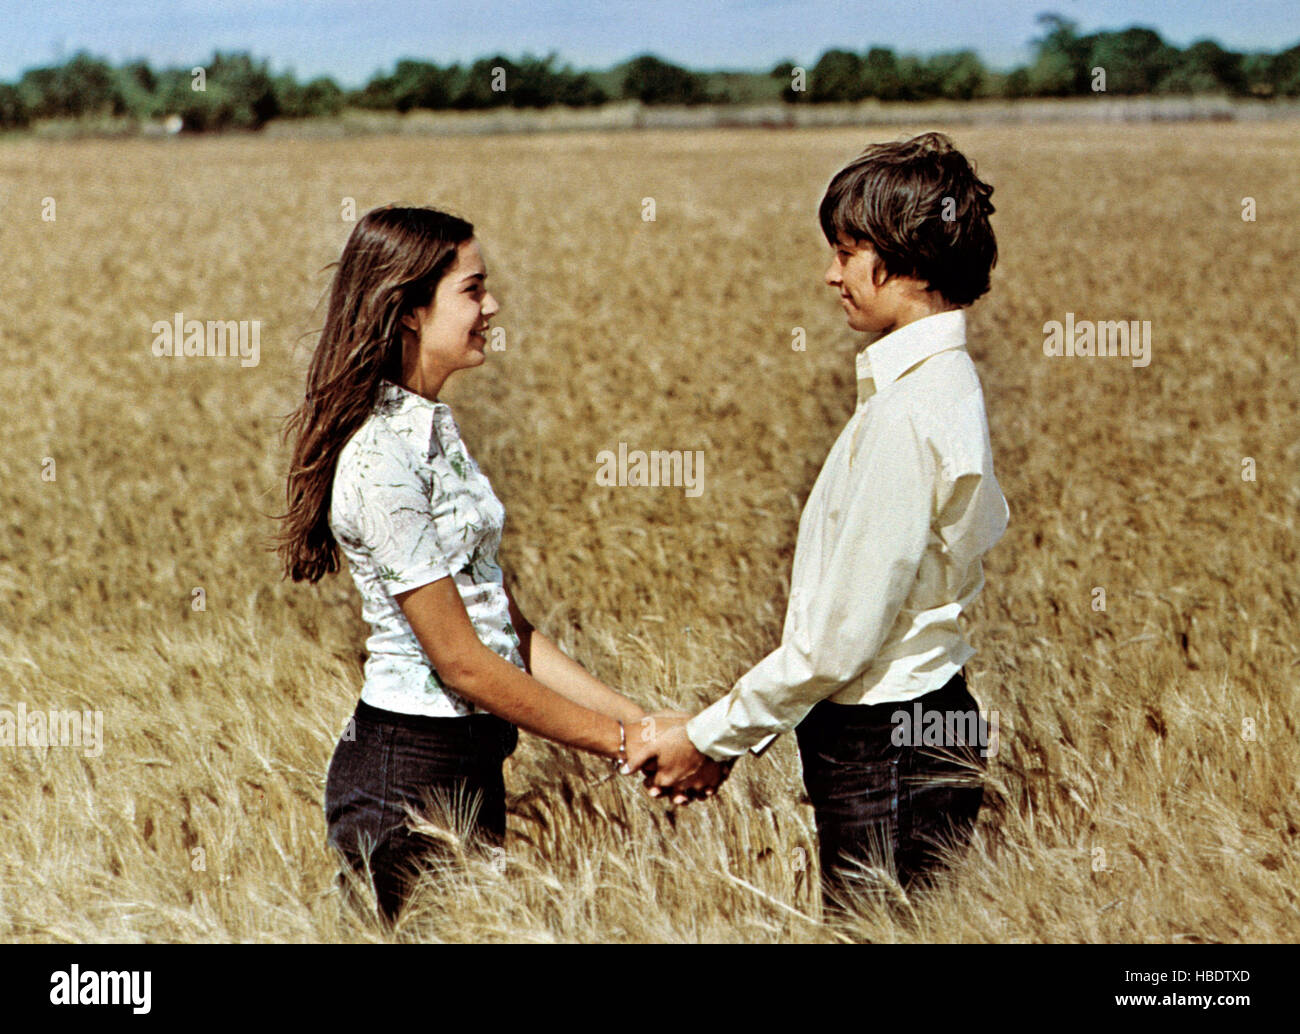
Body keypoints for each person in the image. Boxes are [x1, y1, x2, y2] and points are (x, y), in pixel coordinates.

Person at [276, 206, 727, 926]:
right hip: (409, 777)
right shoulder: (381, 460)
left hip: (467, 764)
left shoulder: (435, 433)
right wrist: (624, 745)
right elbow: (462, 663)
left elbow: (506, 630)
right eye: (472, 289)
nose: (492, 307)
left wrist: (645, 725)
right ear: (410, 309)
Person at [629, 133, 1010, 916]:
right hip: (927, 720)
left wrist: (708, 737)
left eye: (846, 251)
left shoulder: (907, 412)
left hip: (884, 743)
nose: (830, 274)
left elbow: (838, 639)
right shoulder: (947, 382)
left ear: (903, 257)